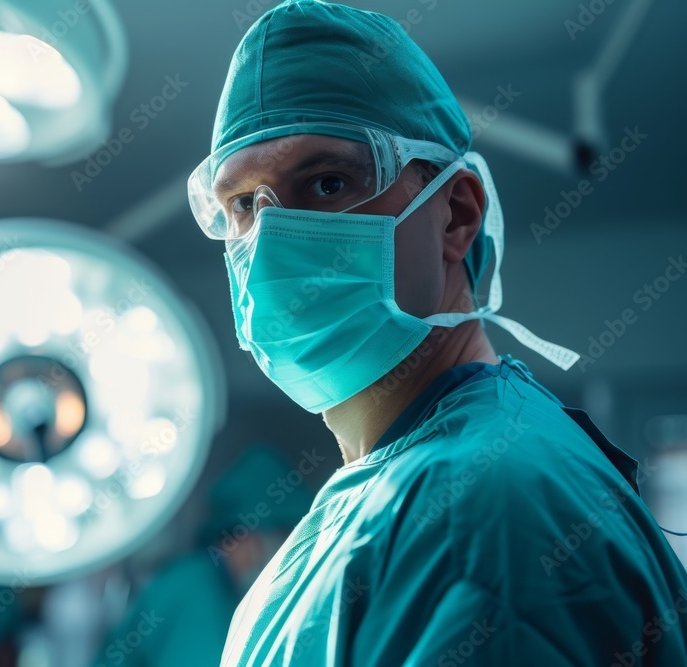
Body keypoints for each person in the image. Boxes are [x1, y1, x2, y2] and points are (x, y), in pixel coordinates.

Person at [185, 1, 687, 665]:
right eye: (243, 205)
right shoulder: (382, 492)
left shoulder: (486, 511)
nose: (271, 244)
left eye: (328, 182)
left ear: (456, 214)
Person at [92, 447, 312, 666]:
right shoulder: (194, 588)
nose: (277, 558)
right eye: (272, 541)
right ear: (236, 536)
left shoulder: (225, 593)